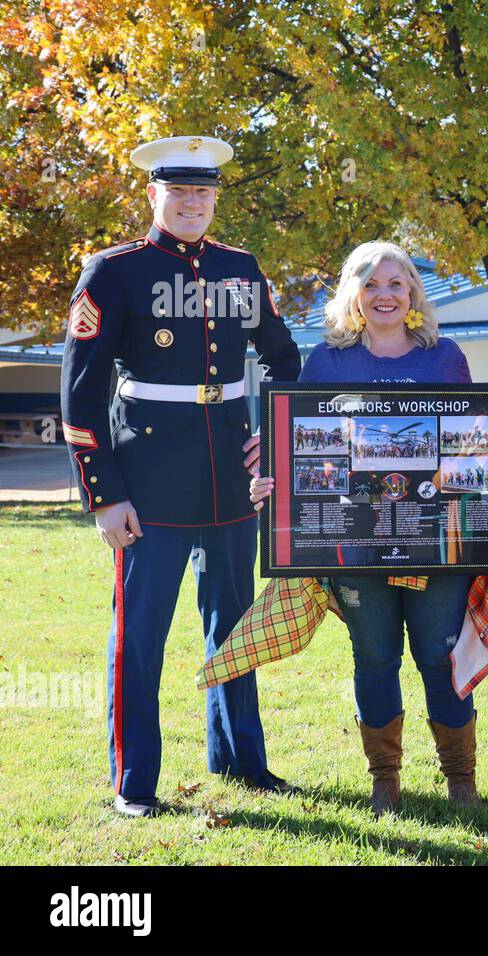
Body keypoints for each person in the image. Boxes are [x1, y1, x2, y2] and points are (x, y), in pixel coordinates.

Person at [59, 136, 302, 817]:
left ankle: (242, 759)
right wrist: (104, 496)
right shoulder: (112, 272)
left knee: (235, 627)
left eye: (204, 192)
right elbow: (80, 396)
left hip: (230, 472)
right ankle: (134, 784)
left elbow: (285, 363)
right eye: (179, 191)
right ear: (153, 194)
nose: (192, 202)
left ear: (216, 198)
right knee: (141, 635)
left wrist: (272, 443)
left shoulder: (241, 268)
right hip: (148, 476)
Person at [251, 242, 488, 814]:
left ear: (413, 295)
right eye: (371, 284)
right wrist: (273, 485)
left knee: (439, 655)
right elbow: (307, 454)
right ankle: (385, 782)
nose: (384, 295)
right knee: (374, 658)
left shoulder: (445, 357)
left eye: (396, 284)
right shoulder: (326, 361)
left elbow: (471, 442)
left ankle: (462, 782)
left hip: (437, 540)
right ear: (353, 294)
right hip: (357, 544)